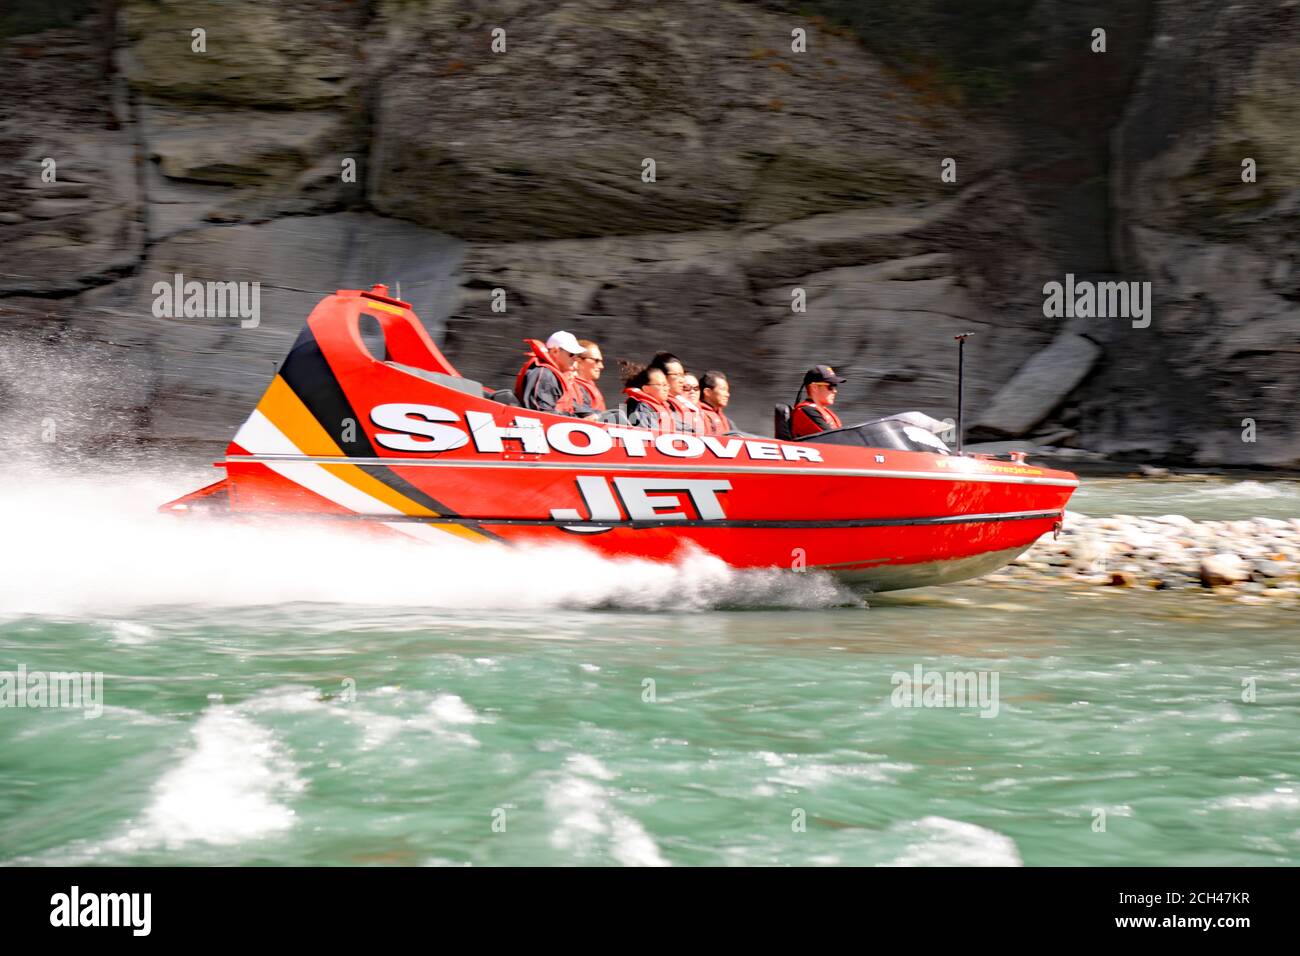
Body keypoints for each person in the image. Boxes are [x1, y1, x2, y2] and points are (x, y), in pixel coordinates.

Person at [514, 330, 592, 416]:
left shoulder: (553, 375)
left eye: (576, 355)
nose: (575, 358)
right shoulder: (544, 374)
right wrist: (578, 419)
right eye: (571, 354)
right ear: (555, 351)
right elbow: (544, 413)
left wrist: (591, 415)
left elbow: (572, 406)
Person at [791, 365, 845, 438]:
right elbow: (832, 438)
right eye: (831, 386)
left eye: (835, 386)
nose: (835, 391)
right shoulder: (806, 411)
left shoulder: (821, 410)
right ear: (814, 388)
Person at [646, 351, 693, 432]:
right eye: (676, 375)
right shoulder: (645, 407)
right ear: (660, 375)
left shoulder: (674, 405)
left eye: (682, 375)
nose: (682, 380)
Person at [622, 364, 673, 431]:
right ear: (646, 388)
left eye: (666, 385)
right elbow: (650, 436)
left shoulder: (666, 407)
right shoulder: (642, 409)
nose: (666, 389)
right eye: (662, 385)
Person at [572, 339, 606, 411]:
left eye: (600, 361)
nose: (601, 366)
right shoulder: (573, 387)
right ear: (578, 360)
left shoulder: (588, 386)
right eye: (596, 360)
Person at [699, 370, 732, 435]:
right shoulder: (693, 414)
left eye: (727, 390)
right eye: (723, 389)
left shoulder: (726, 419)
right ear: (707, 392)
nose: (727, 394)